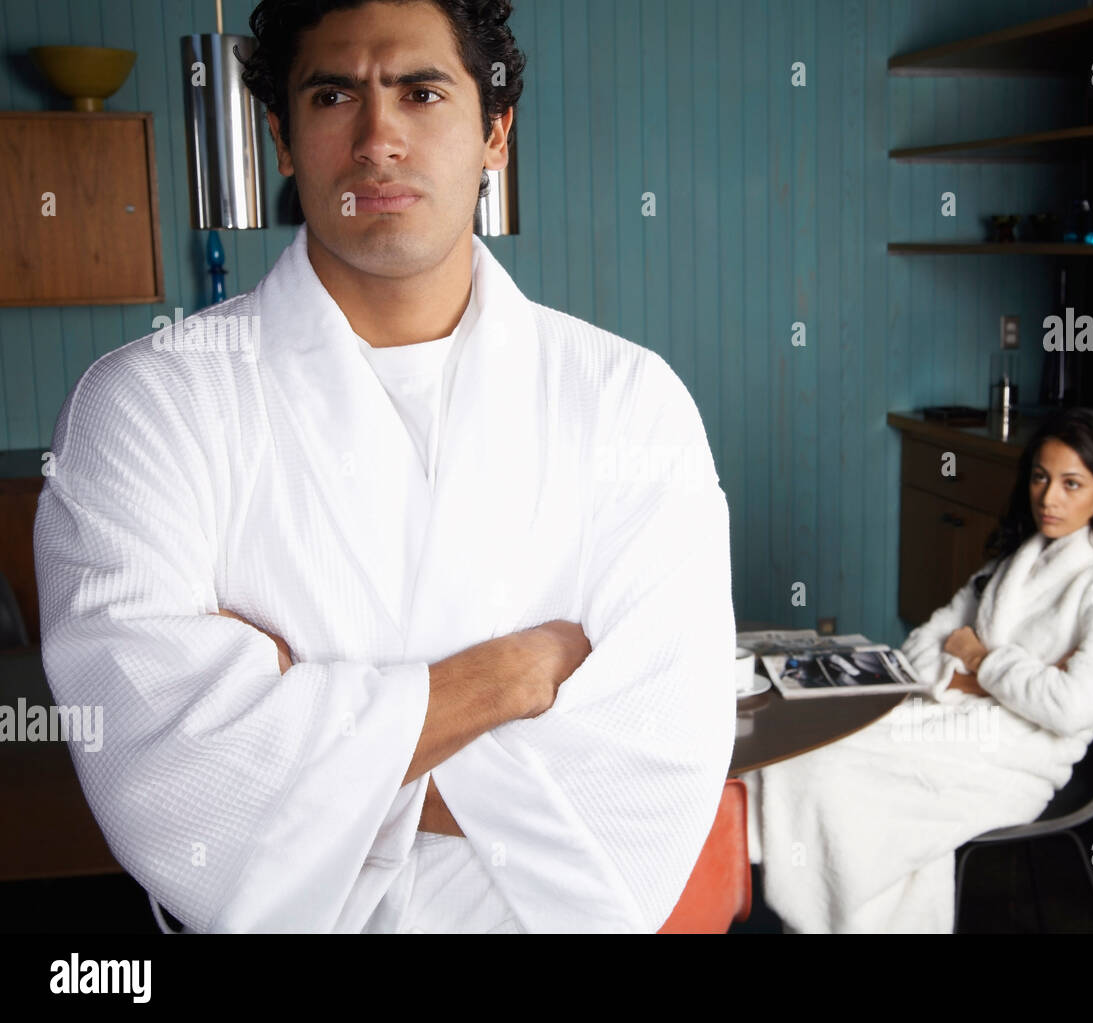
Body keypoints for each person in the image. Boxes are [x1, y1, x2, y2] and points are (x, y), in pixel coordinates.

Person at [32, 0, 736, 933]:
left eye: (422, 91)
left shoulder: (628, 400)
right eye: (333, 95)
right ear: (283, 138)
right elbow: (160, 766)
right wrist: (504, 680)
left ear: (495, 133)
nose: (378, 138)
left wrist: (304, 727)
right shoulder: (148, 405)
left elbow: (657, 764)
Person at [744, 407, 1093, 933]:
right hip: (947, 714)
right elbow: (924, 643)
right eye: (1040, 477)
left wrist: (981, 661)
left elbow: (1070, 706)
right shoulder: (1017, 559)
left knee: (826, 771)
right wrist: (989, 674)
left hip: (1020, 755)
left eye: (1071, 483)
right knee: (802, 745)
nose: (1048, 497)